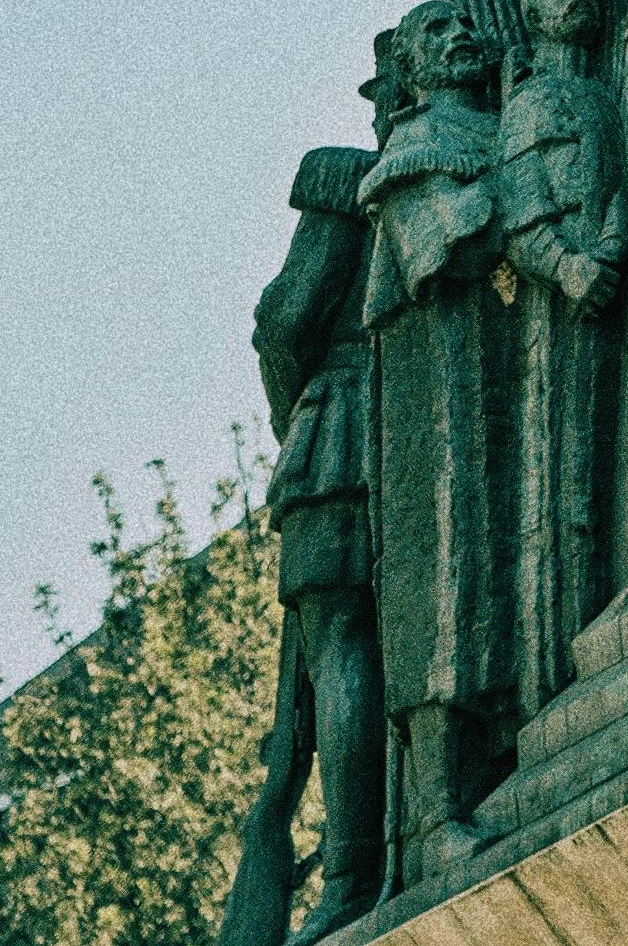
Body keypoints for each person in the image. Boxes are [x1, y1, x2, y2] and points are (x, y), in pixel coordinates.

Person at [218, 62, 393, 946]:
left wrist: (300, 415)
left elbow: (285, 320)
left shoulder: (344, 178)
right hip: (413, 422)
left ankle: (352, 871)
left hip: (340, 430)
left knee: (338, 648)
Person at [357, 0, 522, 883]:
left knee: (499, 571)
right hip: (438, 396)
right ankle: (435, 814)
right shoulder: (409, 153)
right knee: (444, 586)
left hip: (505, 379)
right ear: (412, 73)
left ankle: (496, 765)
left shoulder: (508, 122)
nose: (461, 38)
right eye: (437, 35)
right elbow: (440, 245)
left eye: (468, 28)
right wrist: (521, 194)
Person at [494, 0, 628, 715]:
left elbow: (620, 185)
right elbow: (522, 209)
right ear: (533, 11)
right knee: (562, 479)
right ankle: (561, 666)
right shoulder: (532, 101)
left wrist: (612, 245)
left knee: (598, 471)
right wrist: (571, 267)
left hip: (606, 291)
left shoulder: (601, 94)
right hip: (559, 312)